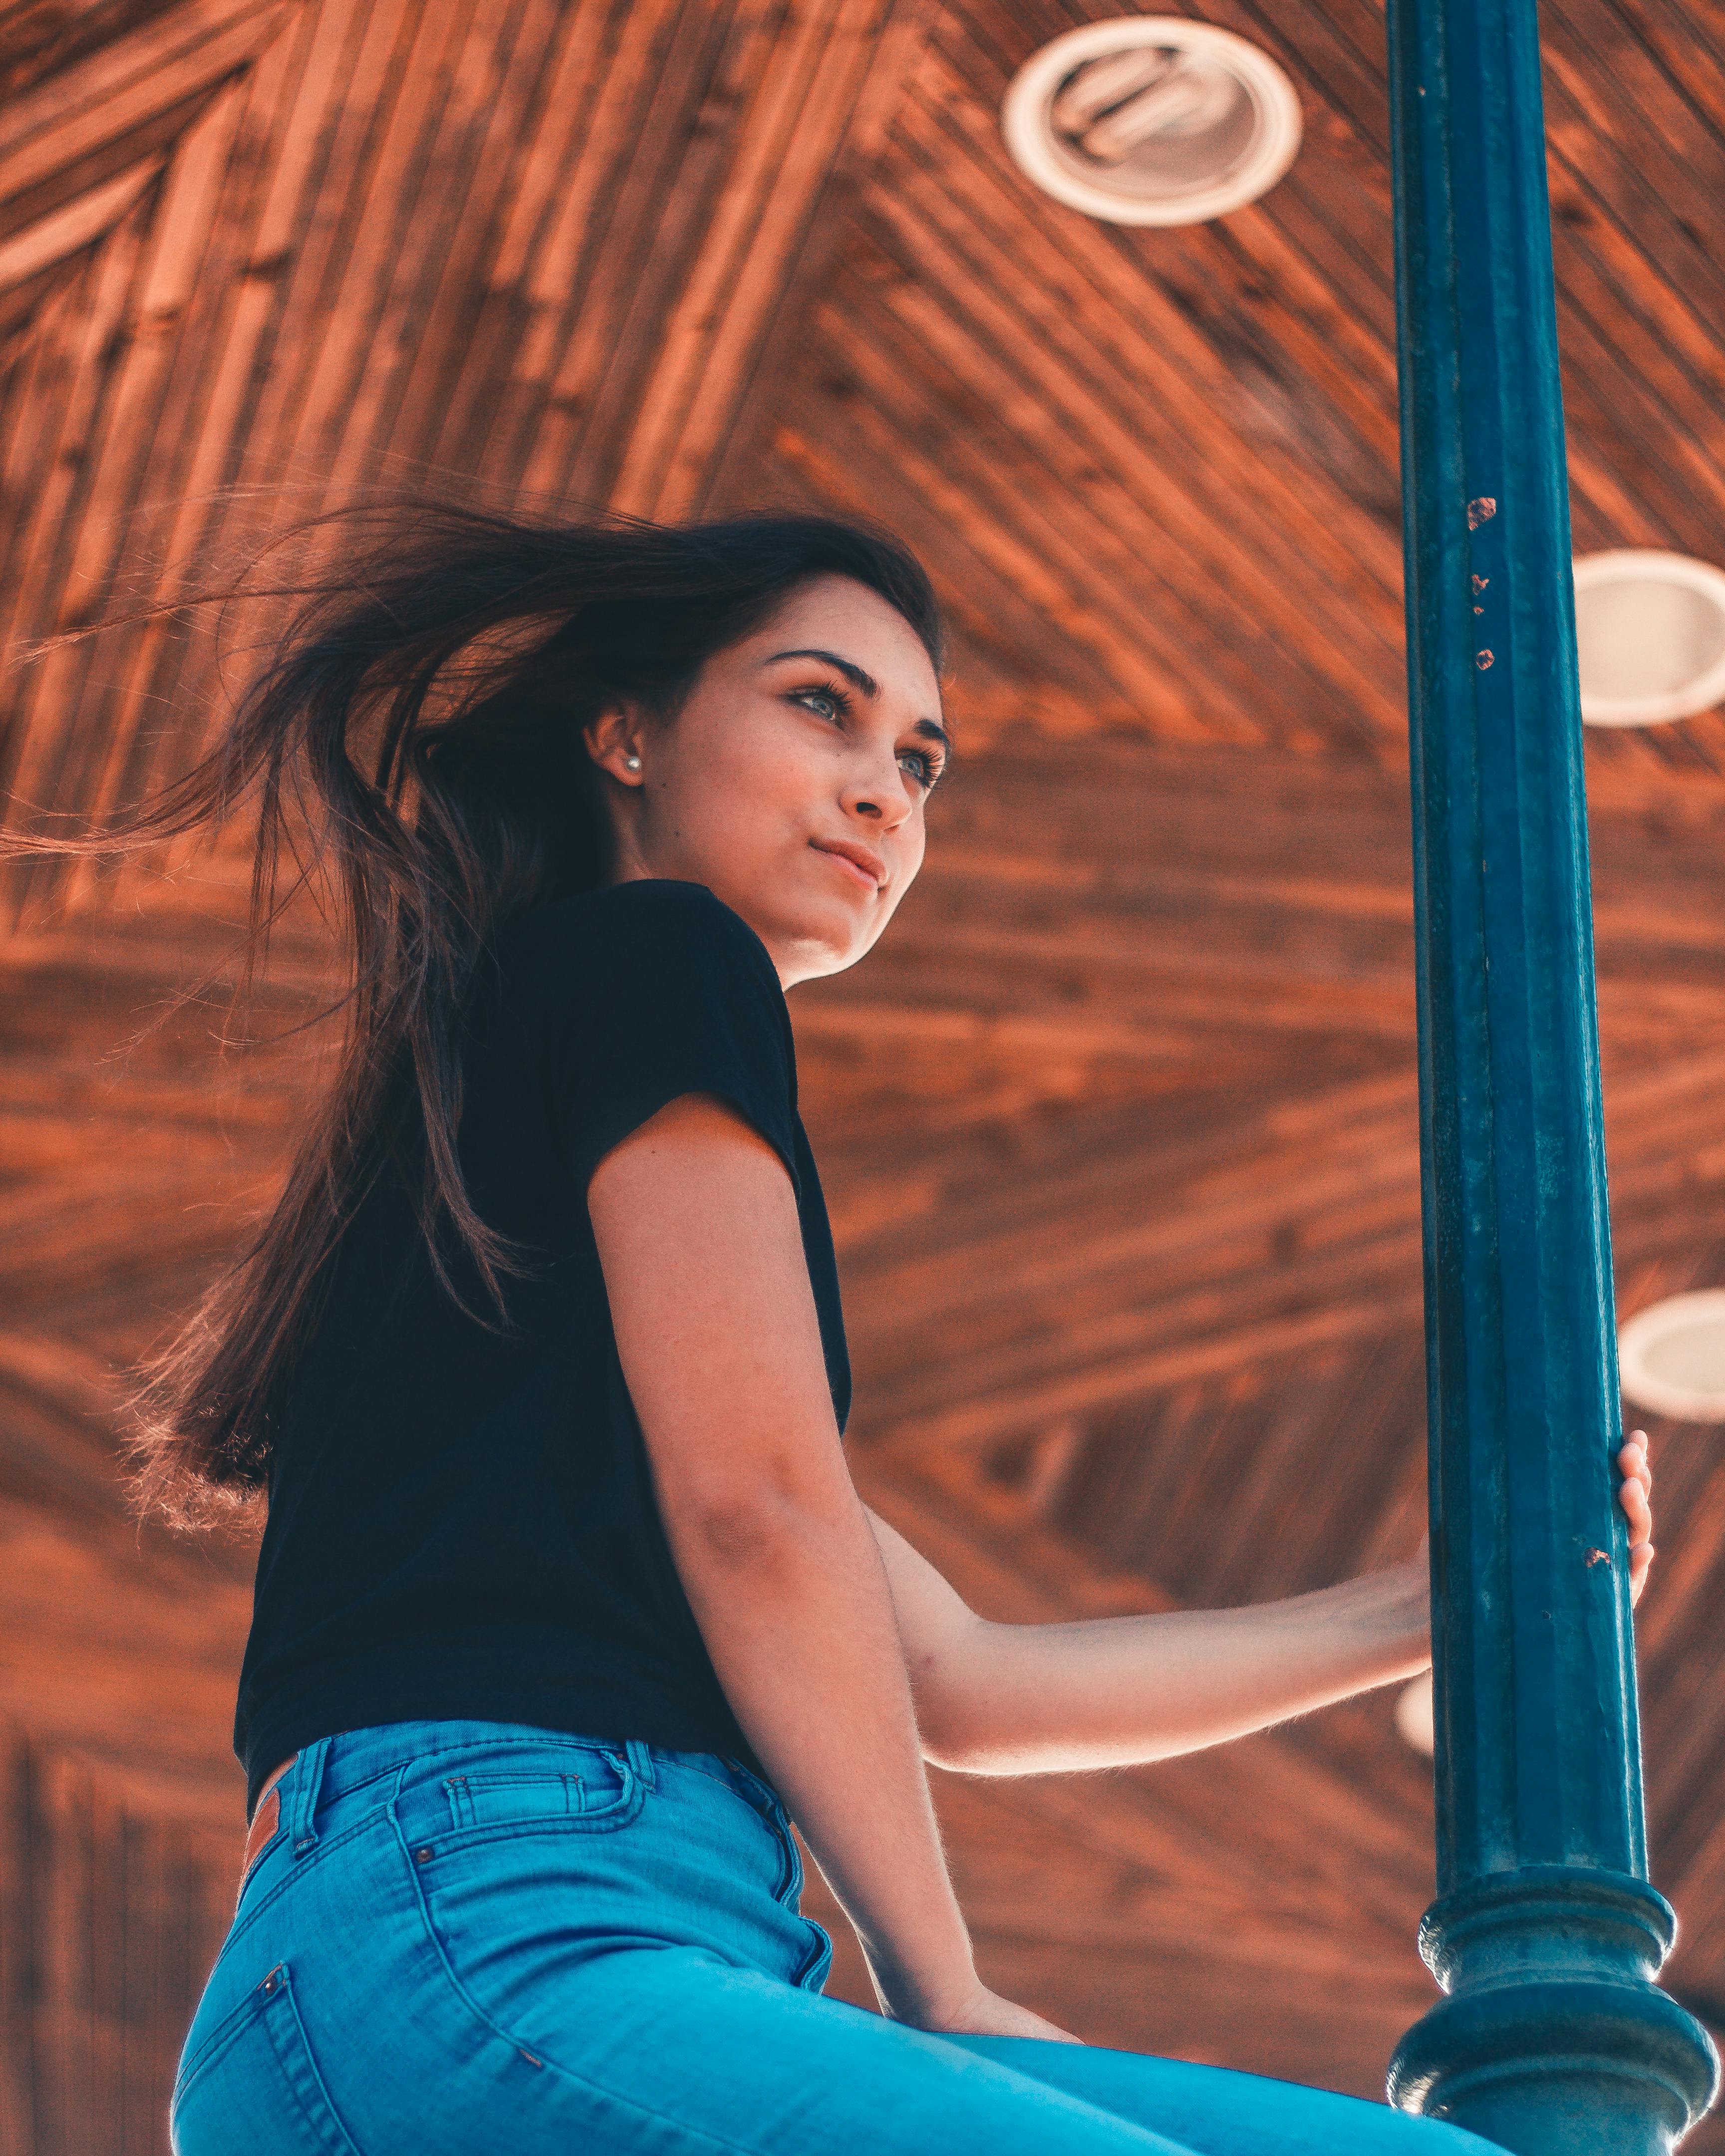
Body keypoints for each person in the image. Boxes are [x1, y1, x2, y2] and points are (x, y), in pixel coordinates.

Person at [14, 508, 1654, 2155]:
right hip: (495, 1939)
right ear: (629, 733)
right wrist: (940, 1983)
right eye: (822, 705)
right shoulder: (664, 957)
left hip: (460, 1976)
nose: (886, 790)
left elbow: (956, 1682)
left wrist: (1452, 1605)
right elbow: (760, 1506)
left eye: (923, 761)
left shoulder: (518, 1114)